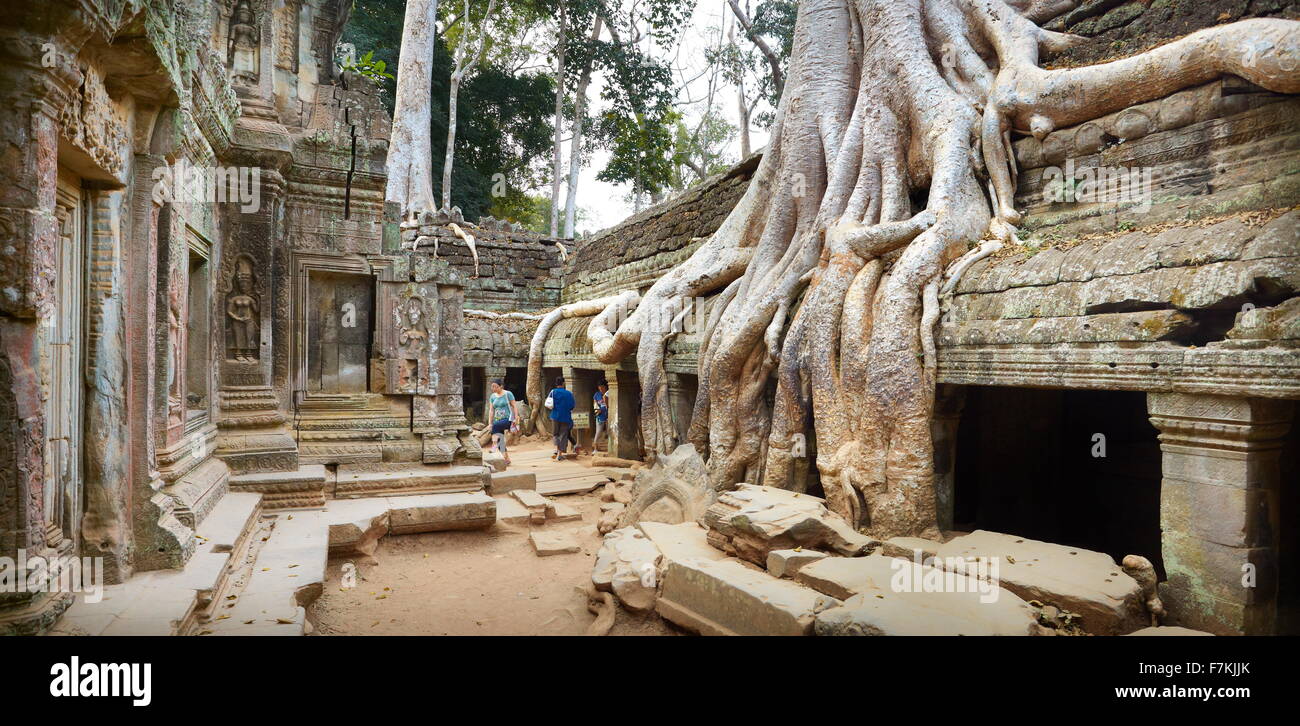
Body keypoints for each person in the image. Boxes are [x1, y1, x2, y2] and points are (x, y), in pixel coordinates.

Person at [487, 380, 519, 465]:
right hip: (497, 420)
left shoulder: (508, 394)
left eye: (495, 386)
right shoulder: (492, 396)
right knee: (500, 439)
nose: (493, 388)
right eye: (492, 386)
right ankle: (506, 458)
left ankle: (493, 444)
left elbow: (514, 406)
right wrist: (490, 423)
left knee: (496, 426)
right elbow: (491, 410)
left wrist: (516, 418)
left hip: (508, 419)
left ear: (501, 386)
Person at [546, 376, 576, 461]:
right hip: (565, 417)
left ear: (556, 384)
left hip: (555, 416)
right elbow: (572, 406)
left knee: (555, 434)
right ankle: (559, 453)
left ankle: (556, 448)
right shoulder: (569, 394)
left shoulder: (553, 392)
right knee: (563, 435)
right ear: (563, 383)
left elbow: (549, 403)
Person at [593, 381, 609, 453]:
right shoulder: (597, 395)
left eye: (602, 387)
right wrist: (597, 410)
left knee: (609, 431)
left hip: (609, 415)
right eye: (599, 388)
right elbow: (595, 405)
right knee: (598, 431)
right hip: (600, 415)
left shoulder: (609, 393)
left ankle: (610, 448)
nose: (601, 389)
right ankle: (595, 448)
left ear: (605, 387)